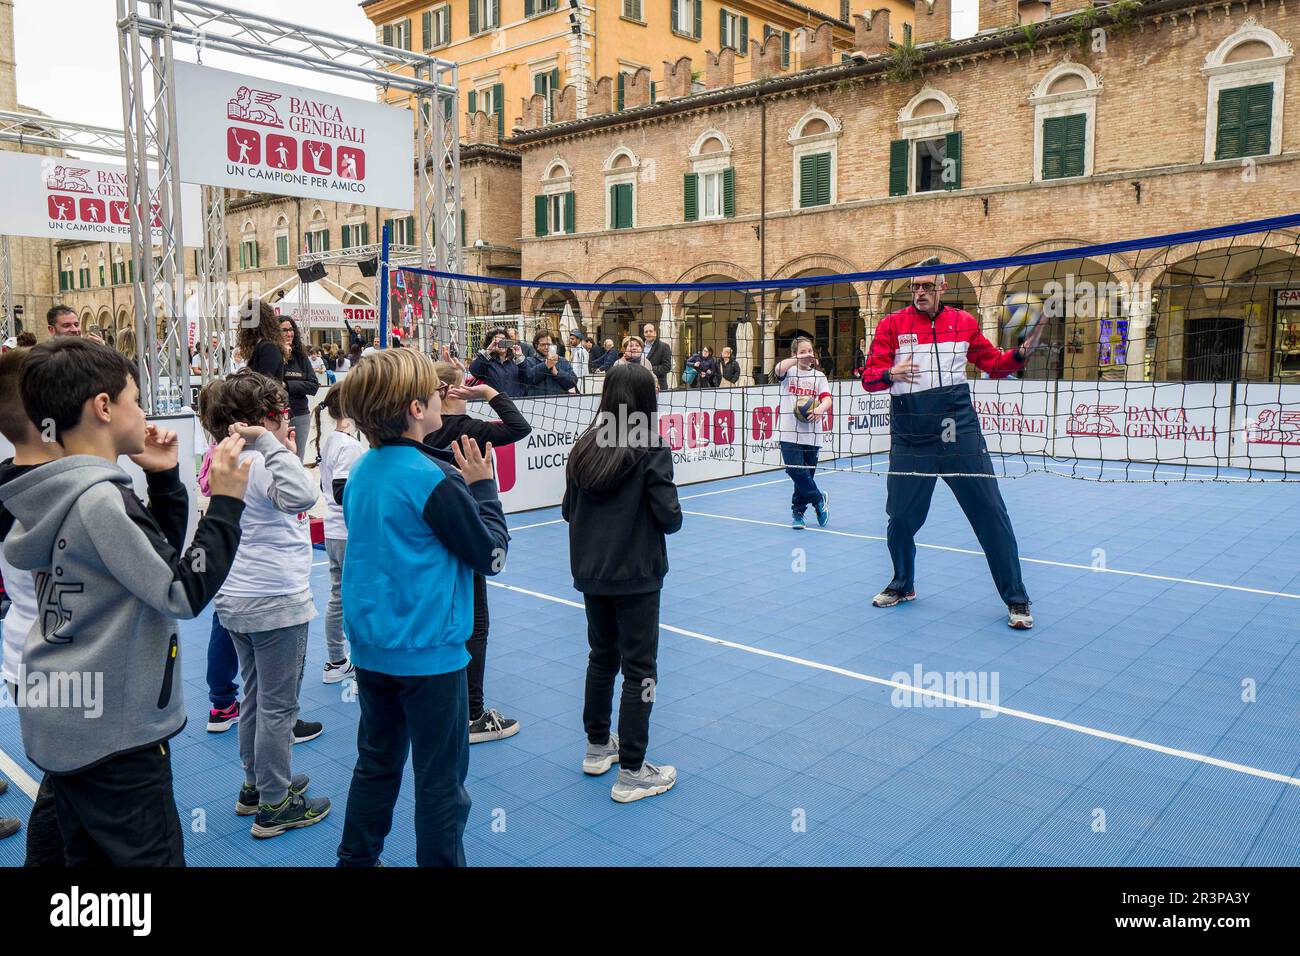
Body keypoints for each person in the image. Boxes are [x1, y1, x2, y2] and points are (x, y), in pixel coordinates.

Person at [0, 337, 250, 866]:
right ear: (104, 407)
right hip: (114, 736)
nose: (144, 410)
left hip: (67, 716)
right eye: (136, 398)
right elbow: (181, 591)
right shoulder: (99, 500)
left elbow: (146, 568)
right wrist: (225, 504)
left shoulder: (60, 491)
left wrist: (163, 480)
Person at [334, 349, 509, 867]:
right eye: (436, 394)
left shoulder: (363, 471)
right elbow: (491, 555)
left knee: (376, 765)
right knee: (440, 782)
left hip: (372, 651)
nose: (444, 399)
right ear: (416, 408)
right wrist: (484, 489)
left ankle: (356, 860)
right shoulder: (435, 479)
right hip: (430, 657)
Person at [860, 257, 1040, 629]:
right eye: (915, 287)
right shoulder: (891, 324)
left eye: (928, 285)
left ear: (943, 287)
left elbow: (994, 364)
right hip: (911, 430)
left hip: (957, 428)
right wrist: (890, 372)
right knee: (900, 519)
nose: (921, 292)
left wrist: (1019, 355)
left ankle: (1017, 599)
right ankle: (902, 584)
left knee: (991, 513)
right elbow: (868, 378)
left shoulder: (964, 322)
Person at [199, 370, 328, 837]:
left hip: (238, 598)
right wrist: (274, 447)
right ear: (259, 421)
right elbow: (302, 494)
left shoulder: (224, 458)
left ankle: (256, 784)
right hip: (274, 600)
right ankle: (275, 804)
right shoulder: (261, 459)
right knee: (278, 707)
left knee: (255, 696)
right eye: (276, 414)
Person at [563, 363, 681, 803]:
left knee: (601, 658)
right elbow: (670, 519)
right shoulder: (650, 446)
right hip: (636, 576)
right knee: (641, 671)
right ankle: (632, 770)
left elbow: (567, 511)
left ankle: (598, 747)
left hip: (592, 574)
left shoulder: (585, 445)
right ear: (645, 399)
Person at [426, 354, 530, 743]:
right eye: (465, 382)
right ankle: (472, 712)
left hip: (433, 530)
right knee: (476, 622)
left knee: (443, 616)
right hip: (469, 527)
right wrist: (489, 392)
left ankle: (446, 702)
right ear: (453, 390)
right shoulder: (469, 428)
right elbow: (520, 427)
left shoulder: (420, 432)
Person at [0, 347, 64, 857]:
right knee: (65, 786)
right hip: (58, 661)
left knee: (62, 781)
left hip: (27, 654)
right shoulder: (59, 488)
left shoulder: (10, 480)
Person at [313, 387, 361, 685]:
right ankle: (350, 662)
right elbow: (343, 492)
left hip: (334, 530)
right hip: (346, 532)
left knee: (339, 596)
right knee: (352, 598)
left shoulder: (334, 441)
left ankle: (336, 660)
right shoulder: (347, 445)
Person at [774, 336, 833, 530]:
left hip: (812, 433)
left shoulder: (819, 376)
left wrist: (820, 409)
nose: (808, 354)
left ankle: (798, 513)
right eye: (803, 351)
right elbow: (778, 369)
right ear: (794, 354)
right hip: (788, 431)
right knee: (794, 470)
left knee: (806, 474)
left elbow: (827, 399)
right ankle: (818, 499)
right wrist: (798, 359)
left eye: (810, 351)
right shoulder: (789, 371)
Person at [279, 316, 320, 460]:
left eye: (291, 329)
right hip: (277, 416)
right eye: (284, 330)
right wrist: (283, 356)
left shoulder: (301, 356)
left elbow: (314, 386)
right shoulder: (272, 355)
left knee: (297, 459)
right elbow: (273, 382)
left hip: (300, 414)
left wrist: (288, 385)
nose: (289, 333)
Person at [469, 327, 529, 398]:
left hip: (516, 402)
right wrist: (488, 351)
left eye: (503, 340)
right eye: (497, 342)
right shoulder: (486, 362)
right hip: (494, 403)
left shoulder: (516, 360)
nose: (501, 343)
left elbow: (527, 377)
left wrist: (520, 358)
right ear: (490, 343)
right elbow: (474, 371)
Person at [526, 329, 578, 396]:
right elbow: (528, 379)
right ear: (536, 345)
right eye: (543, 344)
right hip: (537, 403)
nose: (546, 347)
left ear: (553, 345)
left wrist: (557, 373)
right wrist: (545, 366)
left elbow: (573, 382)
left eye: (549, 344)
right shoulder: (529, 361)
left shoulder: (562, 361)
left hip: (560, 402)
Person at [642, 323, 672, 389]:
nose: (648, 333)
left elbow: (666, 367)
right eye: (646, 332)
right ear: (644, 334)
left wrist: (647, 370)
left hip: (658, 385)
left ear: (655, 333)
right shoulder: (640, 346)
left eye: (650, 331)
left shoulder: (664, 346)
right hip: (641, 385)